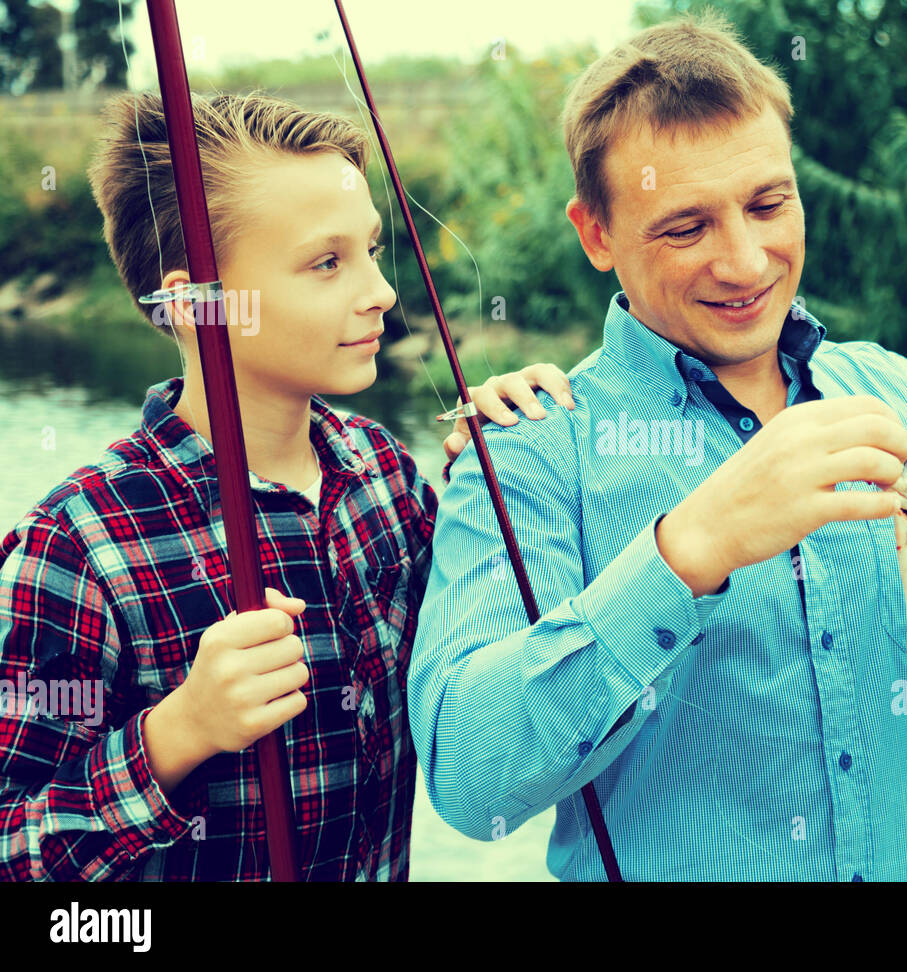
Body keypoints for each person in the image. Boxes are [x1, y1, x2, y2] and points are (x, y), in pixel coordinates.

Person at [410, 13, 907, 881]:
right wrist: (686, 554)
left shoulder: (906, 395)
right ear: (596, 233)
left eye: (769, 203)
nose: (746, 260)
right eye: (685, 227)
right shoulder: (527, 451)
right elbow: (467, 781)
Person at [0, 91, 573, 881]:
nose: (381, 292)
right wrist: (178, 732)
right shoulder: (74, 547)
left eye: (372, 249)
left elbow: (490, 680)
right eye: (327, 263)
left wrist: (513, 476)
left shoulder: (388, 479)